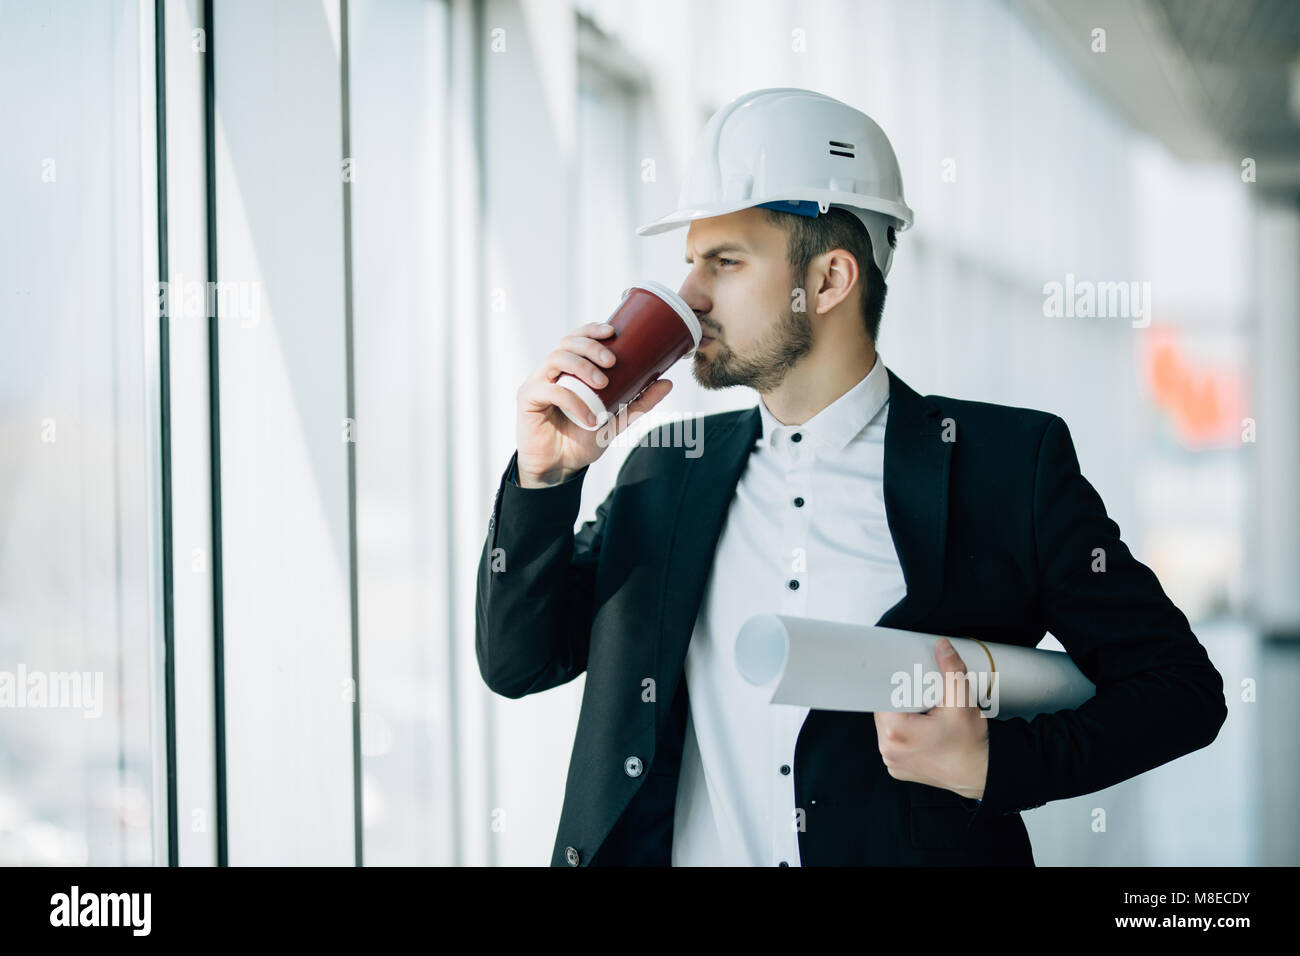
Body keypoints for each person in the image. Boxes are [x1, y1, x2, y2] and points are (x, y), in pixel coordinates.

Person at [475, 88, 1227, 866]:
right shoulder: (666, 469)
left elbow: (1179, 690)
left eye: (725, 262)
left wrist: (994, 766)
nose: (689, 297)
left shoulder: (1005, 467)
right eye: (690, 262)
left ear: (831, 280)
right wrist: (545, 477)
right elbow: (519, 662)